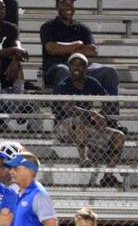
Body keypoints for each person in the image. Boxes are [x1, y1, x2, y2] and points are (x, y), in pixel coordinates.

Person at [53, 52, 124, 187]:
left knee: (118, 136)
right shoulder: (63, 85)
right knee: (81, 120)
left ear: (86, 68)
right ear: (69, 68)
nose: (77, 68)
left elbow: (108, 101)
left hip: (86, 128)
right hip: (64, 128)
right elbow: (68, 108)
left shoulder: (91, 82)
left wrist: (102, 114)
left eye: (81, 65)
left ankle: (108, 175)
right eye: (73, 65)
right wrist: (92, 113)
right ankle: (83, 158)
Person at [40, 0, 119, 106]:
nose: (69, 7)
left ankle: (111, 116)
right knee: (65, 70)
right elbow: (51, 49)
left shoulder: (82, 28)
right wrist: (77, 44)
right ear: (57, 6)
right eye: (64, 4)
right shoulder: (48, 26)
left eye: (71, 4)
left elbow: (92, 50)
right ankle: (64, 115)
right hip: (56, 68)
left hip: (82, 68)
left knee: (109, 72)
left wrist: (63, 48)